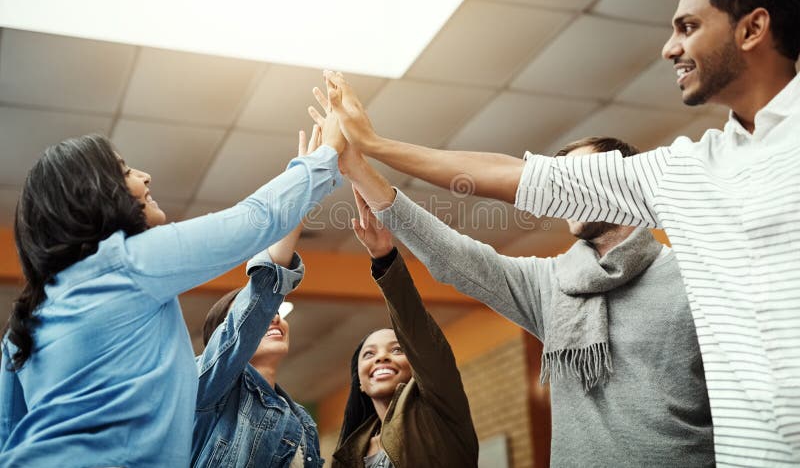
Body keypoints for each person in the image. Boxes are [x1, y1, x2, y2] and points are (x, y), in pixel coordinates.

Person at [315, 0, 800, 466]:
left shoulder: (691, 272)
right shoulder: (687, 172)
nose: (669, 48)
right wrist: (368, 156)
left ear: (753, 28)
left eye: (688, 26)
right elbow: (482, 220)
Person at [327, 135, 714, 466]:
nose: (563, 194)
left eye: (577, 178)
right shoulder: (551, 284)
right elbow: (453, 256)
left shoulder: (695, 276)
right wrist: (361, 171)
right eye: (559, 184)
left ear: (623, 183)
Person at [0, 120, 344, 466]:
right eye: (126, 171)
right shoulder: (129, 262)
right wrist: (326, 155)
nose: (145, 176)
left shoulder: (27, 318)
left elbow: (8, 435)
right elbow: (256, 218)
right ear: (95, 193)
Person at [192, 129, 324, 467]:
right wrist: (304, 184)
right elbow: (261, 295)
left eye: (278, 313)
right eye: (262, 314)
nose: (275, 316)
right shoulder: (209, 389)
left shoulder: (302, 422)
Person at [332, 186, 478, 468]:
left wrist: (384, 257)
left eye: (397, 350)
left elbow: (419, 334)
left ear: (417, 368)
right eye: (369, 354)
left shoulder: (439, 412)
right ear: (359, 382)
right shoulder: (349, 452)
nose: (381, 358)